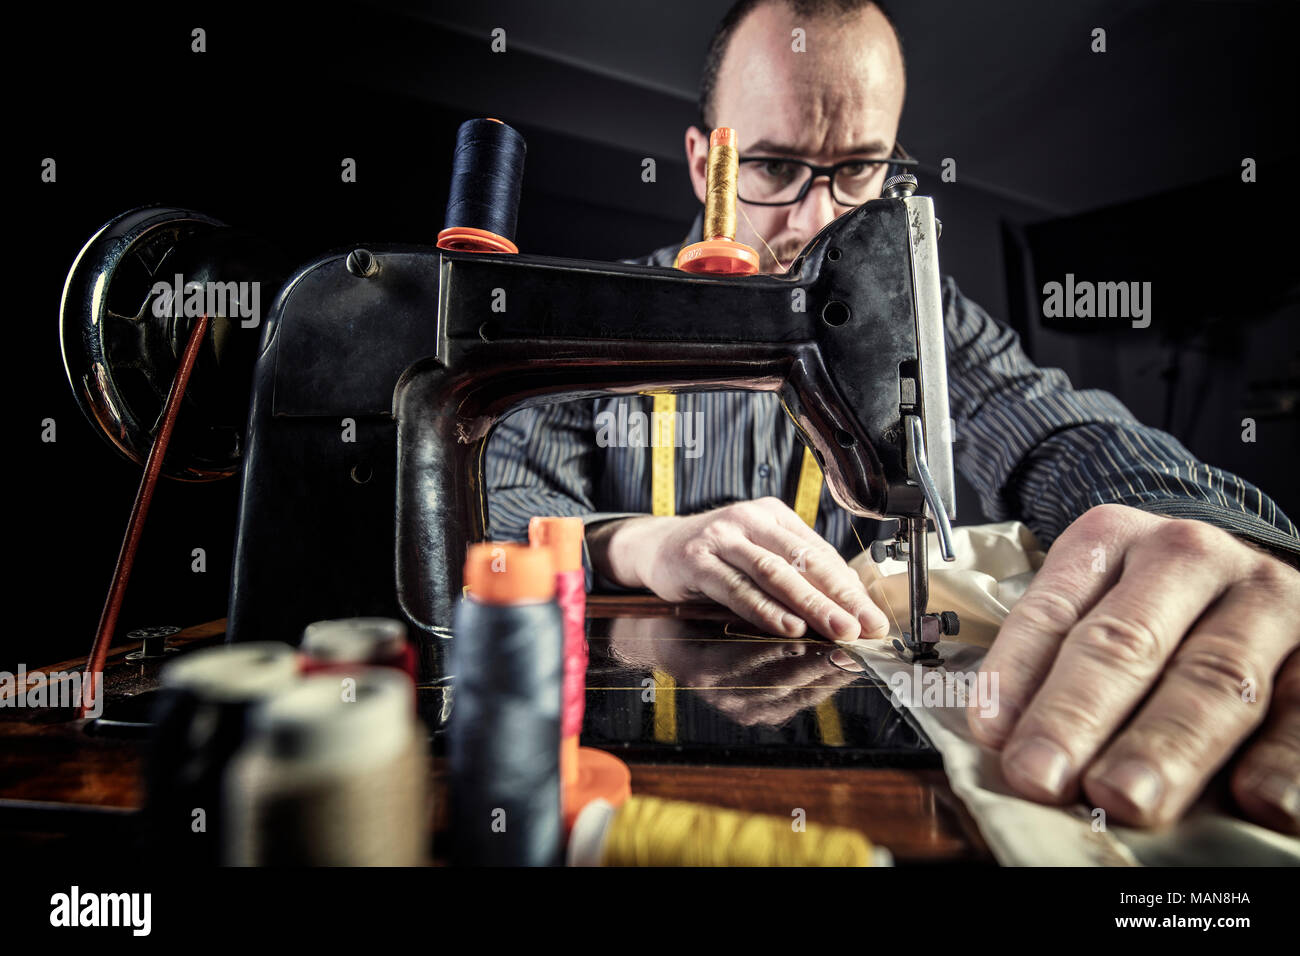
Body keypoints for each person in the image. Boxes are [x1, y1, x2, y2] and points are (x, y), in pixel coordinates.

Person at [487, 0, 1300, 834]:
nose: (818, 220)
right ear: (705, 164)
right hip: (618, 764)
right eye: (774, 167)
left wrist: (1197, 530)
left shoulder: (922, 317)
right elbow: (502, 506)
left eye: (858, 170)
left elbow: (1053, 425)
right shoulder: (604, 316)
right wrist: (640, 544)